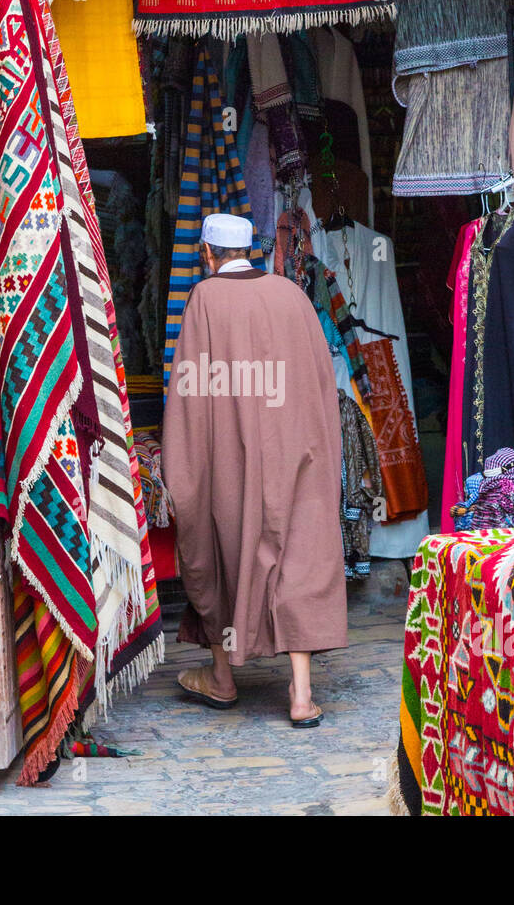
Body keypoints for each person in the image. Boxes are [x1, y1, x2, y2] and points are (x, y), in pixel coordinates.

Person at [165, 213, 347, 728]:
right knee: (302, 552)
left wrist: (186, 462)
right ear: (257, 252)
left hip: (233, 458)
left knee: (220, 548)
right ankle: (302, 695)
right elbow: (319, 380)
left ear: (207, 253)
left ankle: (222, 678)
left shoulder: (205, 299)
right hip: (298, 450)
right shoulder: (291, 295)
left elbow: (192, 396)